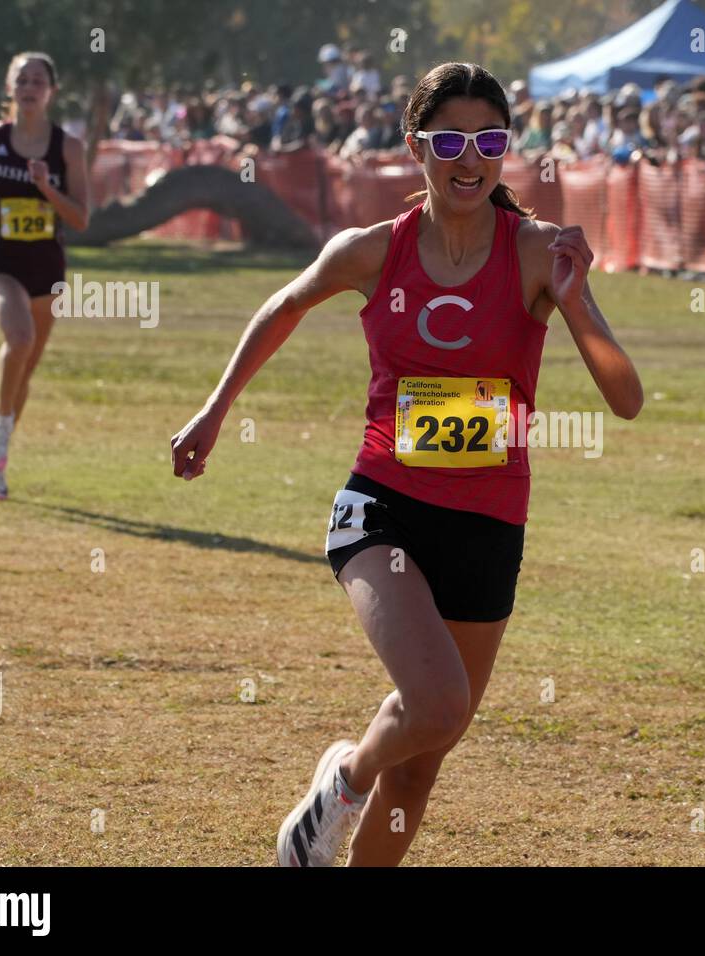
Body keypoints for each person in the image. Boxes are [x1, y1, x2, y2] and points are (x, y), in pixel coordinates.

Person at [170, 61, 643, 867]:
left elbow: (626, 398)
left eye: (489, 140)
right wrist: (214, 412)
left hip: (490, 524)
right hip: (382, 506)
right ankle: (341, 787)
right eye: (450, 139)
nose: (470, 158)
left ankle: (342, 822)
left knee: (424, 763)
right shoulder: (370, 250)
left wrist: (576, 298)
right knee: (436, 704)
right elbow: (281, 308)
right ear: (414, 144)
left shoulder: (536, 252)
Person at [0, 51, 90, 500]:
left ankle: (1, 445)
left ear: (51, 91)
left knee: (25, 368)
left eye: (38, 80)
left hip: (47, 268)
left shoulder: (67, 148)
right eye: (21, 79)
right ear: (9, 88)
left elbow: (81, 219)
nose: (29, 87)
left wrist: (47, 186)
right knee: (19, 338)